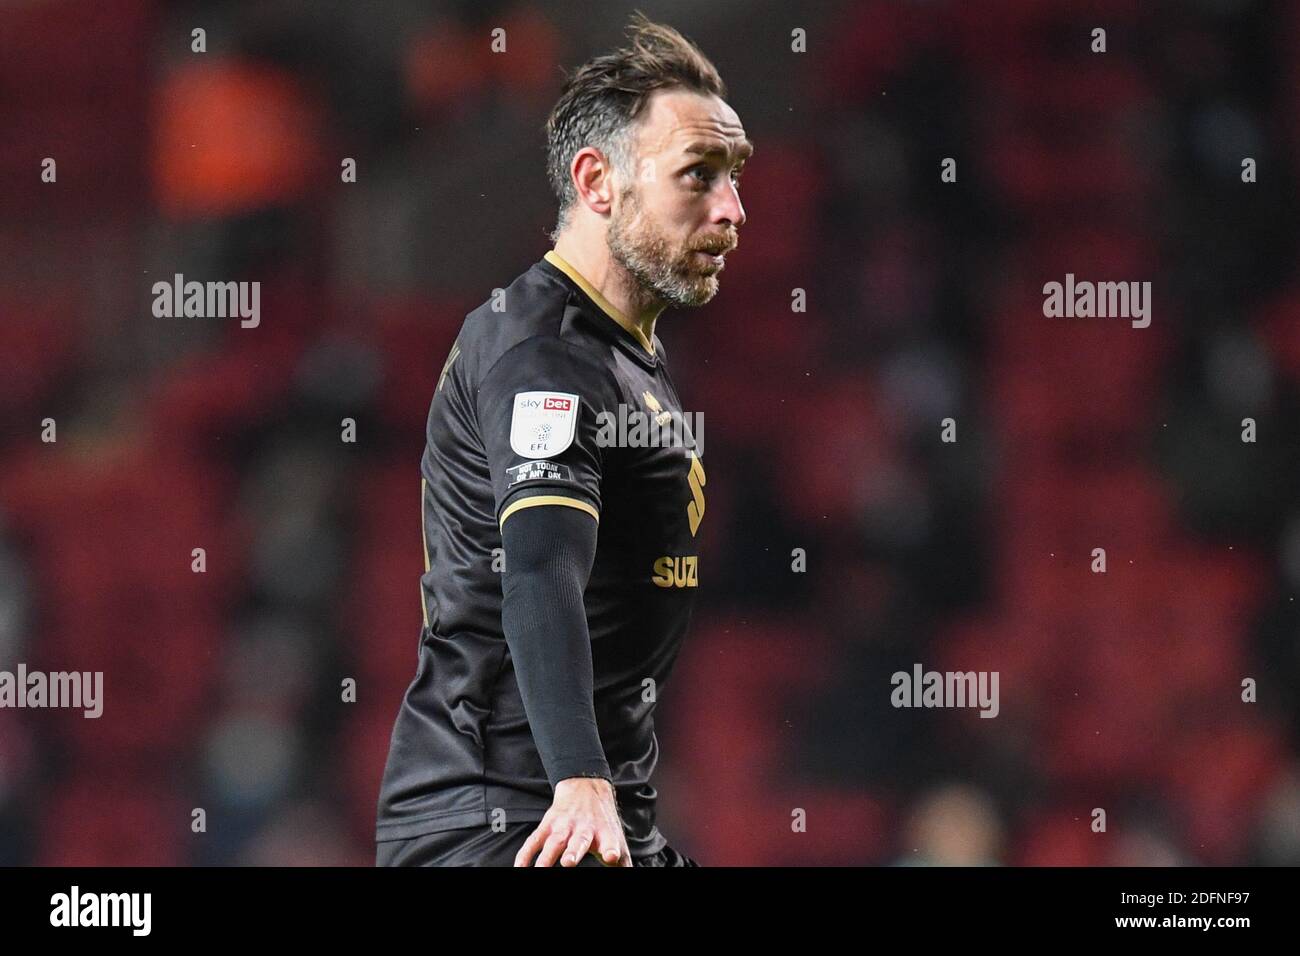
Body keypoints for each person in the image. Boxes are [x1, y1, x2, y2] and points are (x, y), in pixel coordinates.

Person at [376, 12, 750, 867]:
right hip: (509, 823)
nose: (733, 210)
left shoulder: (626, 353)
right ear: (597, 181)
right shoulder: (545, 351)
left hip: (595, 815)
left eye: (734, 176)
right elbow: (539, 567)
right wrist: (579, 778)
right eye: (700, 176)